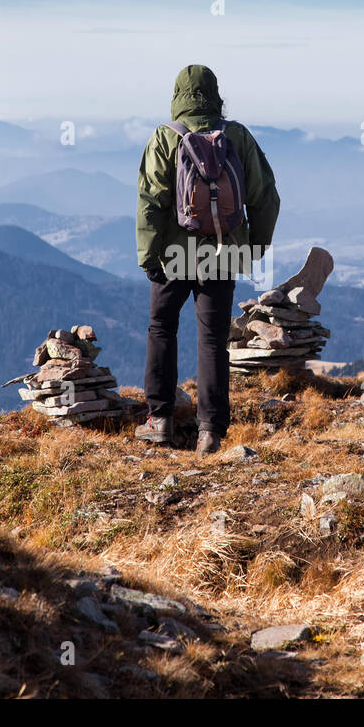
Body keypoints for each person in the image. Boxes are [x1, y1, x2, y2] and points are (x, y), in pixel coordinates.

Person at [134, 65, 279, 453]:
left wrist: (148, 255)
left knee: (161, 327)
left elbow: (150, 202)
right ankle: (210, 432)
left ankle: (159, 419)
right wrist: (256, 245)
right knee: (213, 339)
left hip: (173, 255)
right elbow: (265, 198)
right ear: (216, 95)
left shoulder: (165, 137)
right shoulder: (238, 137)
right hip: (223, 250)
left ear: (178, 95)